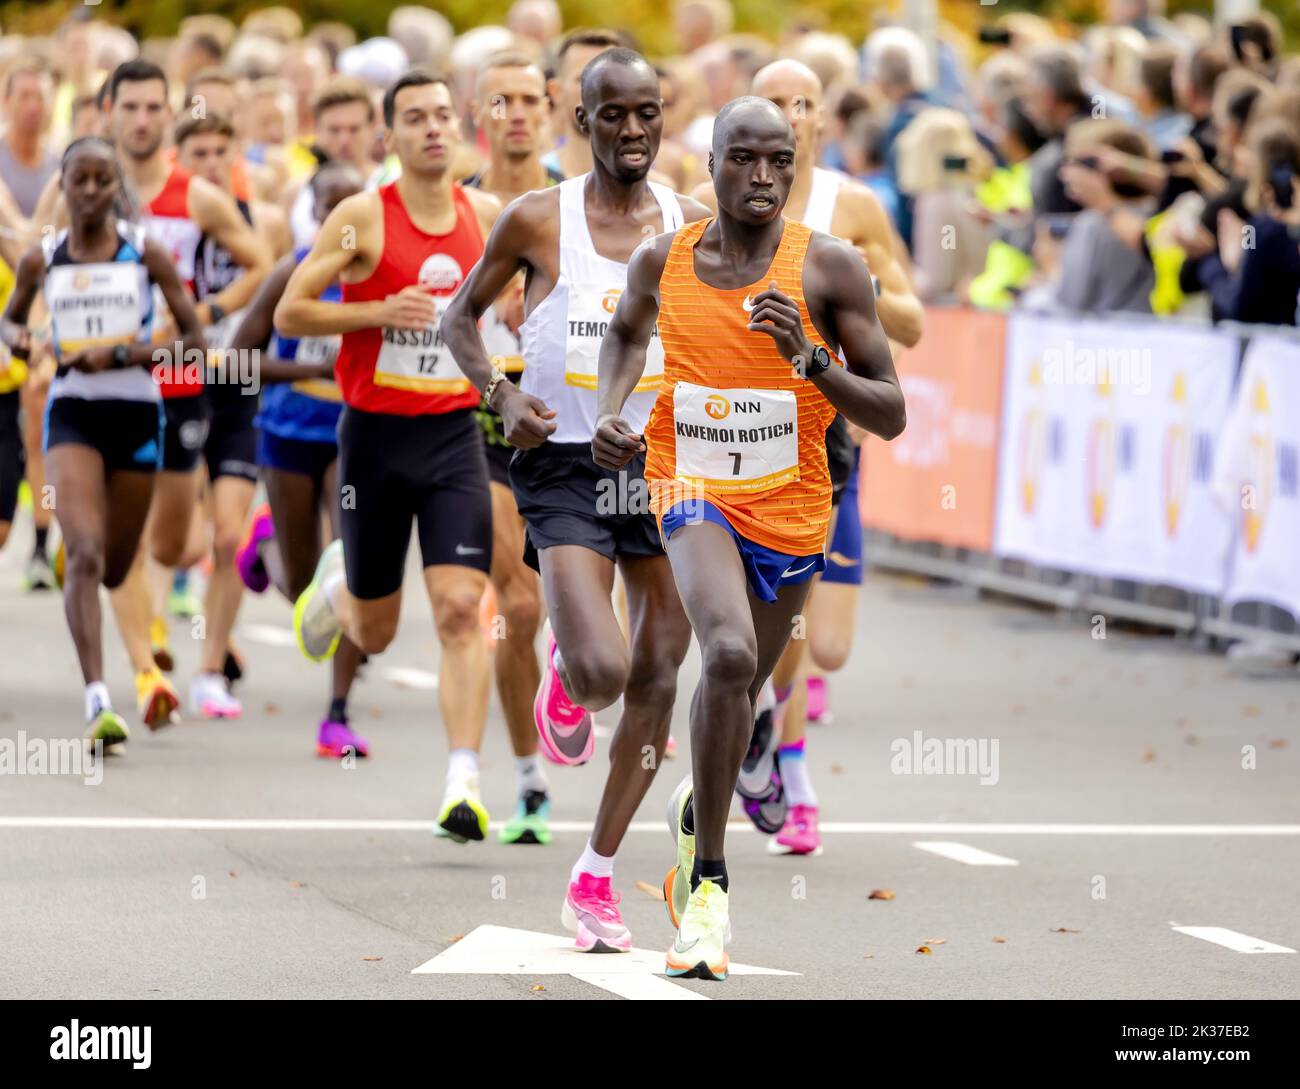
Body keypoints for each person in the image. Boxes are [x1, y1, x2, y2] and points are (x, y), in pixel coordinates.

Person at [593, 96, 904, 979]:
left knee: (743, 682)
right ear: (712, 165)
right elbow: (624, 333)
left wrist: (811, 359)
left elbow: (892, 413)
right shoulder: (666, 258)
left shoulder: (831, 268)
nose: (763, 178)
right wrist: (612, 414)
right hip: (689, 483)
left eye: (780, 162)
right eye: (745, 160)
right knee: (724, 654)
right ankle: (710, 893)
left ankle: (703, 802)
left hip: (796, 503)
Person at [443, 47, 708, 950]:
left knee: (661, 672)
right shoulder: (536, 220)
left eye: (647, 112)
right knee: (602, 673)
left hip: (665, 467)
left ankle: (593, 875)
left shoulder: (692, 223)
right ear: (581, 121)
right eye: (613, 114)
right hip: (560, 459)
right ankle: (567, 667)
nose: (632, 130)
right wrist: (502, 394)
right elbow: (457, 318)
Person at [278, 71, 500, 843]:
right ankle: (339, 590)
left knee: (461, 609)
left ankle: (463, 781)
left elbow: (528, 305)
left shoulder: (490, 216)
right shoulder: (362, 217)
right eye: (415, 118)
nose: (434, 128)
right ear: (391, 137)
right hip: (372, 439)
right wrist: (378, 309)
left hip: (452, 437)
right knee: (373, 632)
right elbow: (290, 308)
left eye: (444, 114)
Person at [0, 136, 204, 747]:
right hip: (74, 416)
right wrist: (23, 341)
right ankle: (98, 699)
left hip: (138, 413)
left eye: (101, 180)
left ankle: (87, 562)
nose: (89, 192)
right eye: (78, 180)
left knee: (117, 565)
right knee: (87, 554)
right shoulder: (43, 259)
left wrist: (124, 353)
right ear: (62, 186)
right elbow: (11, 317)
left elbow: (195, 340)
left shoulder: (147, 255)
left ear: (119, 187)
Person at [231, 158, 369, 758]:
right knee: (305, 586)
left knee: (352, 573)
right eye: (328, 208)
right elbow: (238, 358)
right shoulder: (293, 271)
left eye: (351, 207)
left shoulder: (381, 277)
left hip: (354, 438)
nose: (341, 221)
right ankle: (264, 546)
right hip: (288, 434)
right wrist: (311, 368)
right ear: (314, 214)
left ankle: (337, 712)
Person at [460, 51, 563, 845]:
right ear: (478, 113)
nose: (519, 113)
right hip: (483, 422)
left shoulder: (580, 204)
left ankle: (574, 677)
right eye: (503, 100)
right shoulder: (457, 205)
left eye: (532, 98)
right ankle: (529, 775)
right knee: (518, 605)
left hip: (568, 424)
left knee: (566, 609)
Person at [174, 110, 290, 717]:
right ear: (178, 160)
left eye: (222, 151)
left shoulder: (262, 222)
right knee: (180, 538)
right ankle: (156, 649)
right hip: (175, 381)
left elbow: (275, 295)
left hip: (239, 384)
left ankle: (209, 668)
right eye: (198, 152)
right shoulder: (167, 223)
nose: (211, 164)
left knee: (224, 534)